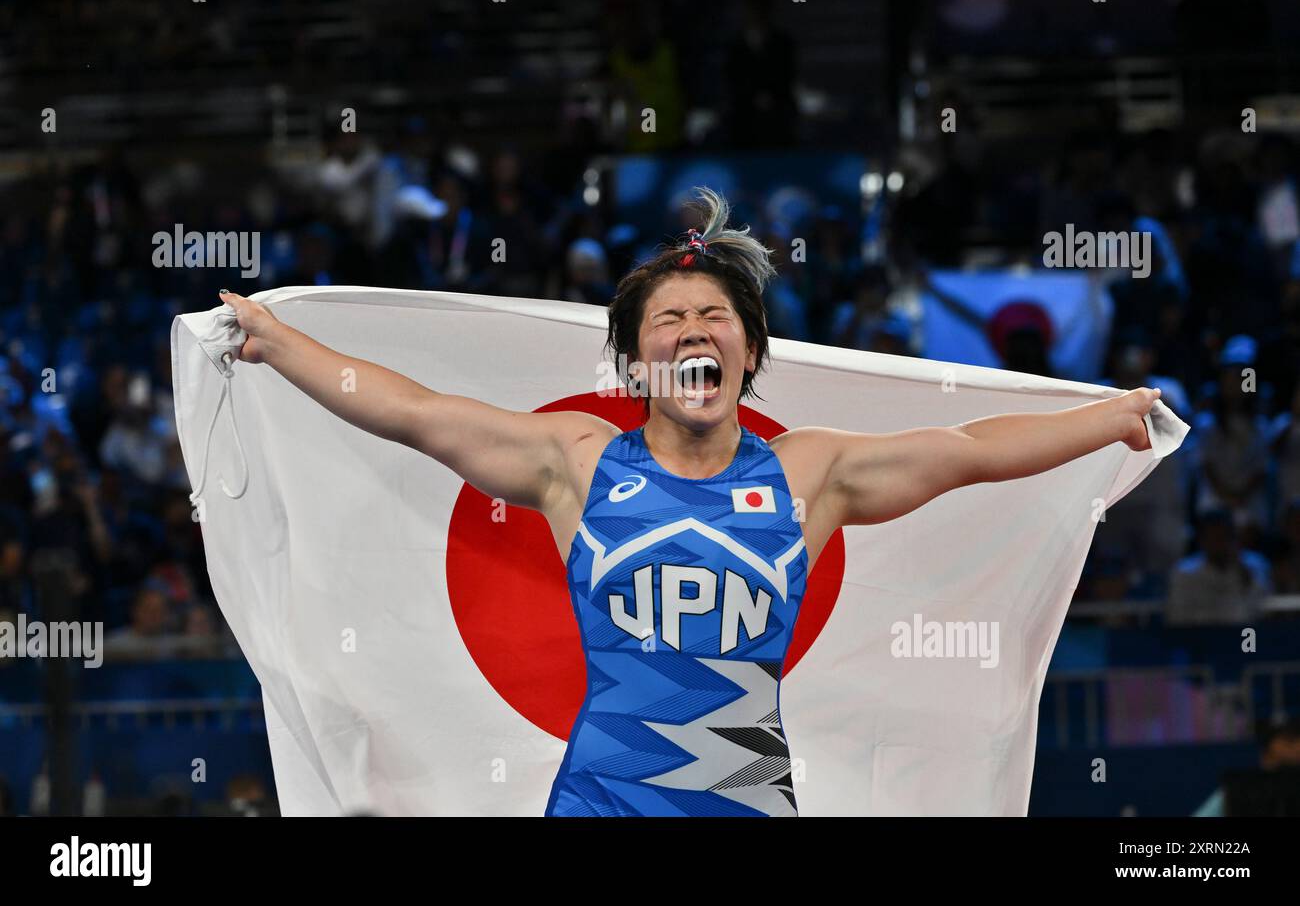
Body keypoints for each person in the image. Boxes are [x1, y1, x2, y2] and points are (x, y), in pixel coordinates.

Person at [217, 187, 1160, 817]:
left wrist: (1105, 419)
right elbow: (415, 412)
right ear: (635, 362)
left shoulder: (808, 473)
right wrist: (279, 344)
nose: (693, 330)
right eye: (668, 320)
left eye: (715, 317)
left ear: (749, 354)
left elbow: (967, 452)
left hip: (747, 798)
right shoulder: (574, 463)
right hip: (603, 799)